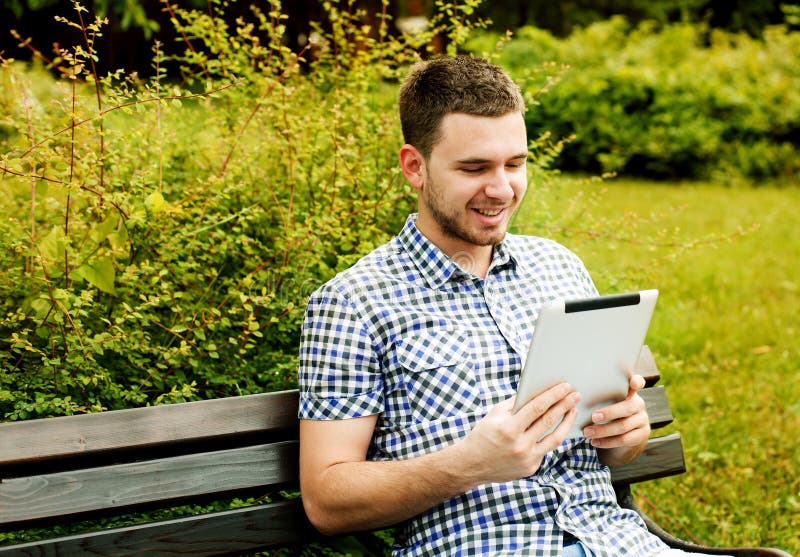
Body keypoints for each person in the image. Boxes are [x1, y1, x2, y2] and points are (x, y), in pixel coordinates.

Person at [297, 55, 723, 557]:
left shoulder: (558, 267)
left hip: (622, 544)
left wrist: (625, 433)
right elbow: (326, 502)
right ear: (414, 166)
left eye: (515, 164)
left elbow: (610, 448)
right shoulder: (352, 303)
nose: (501, 189)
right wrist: (469, 463)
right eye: (474, 168)